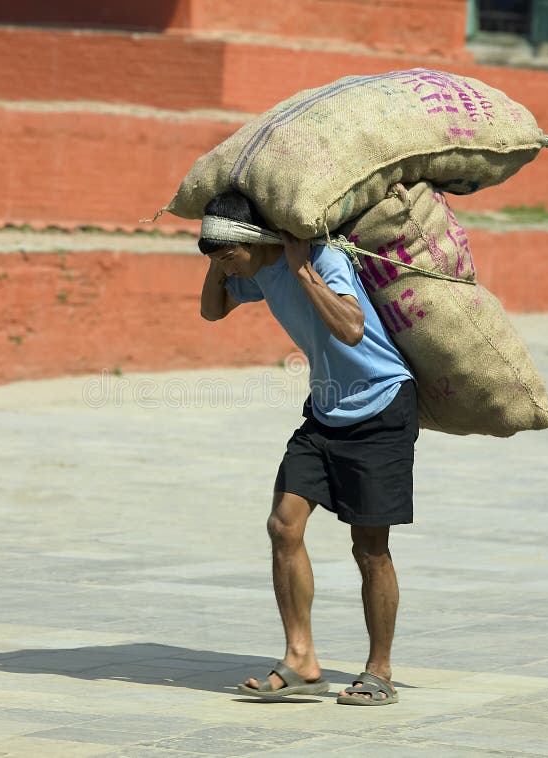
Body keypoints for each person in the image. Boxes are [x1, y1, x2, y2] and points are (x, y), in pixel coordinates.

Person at [199, 191, 418, 706]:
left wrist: (302, 269)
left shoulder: (323, 259)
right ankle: (301, 659)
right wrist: (217, 260)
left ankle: (379, 670)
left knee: (369, 548)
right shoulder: (253, 271)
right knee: (283, 525)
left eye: (229, 254)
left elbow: (350, 327)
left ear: (255, 242)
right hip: (324, 412)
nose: (225, 265)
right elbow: (212, 311)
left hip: (381, 407)